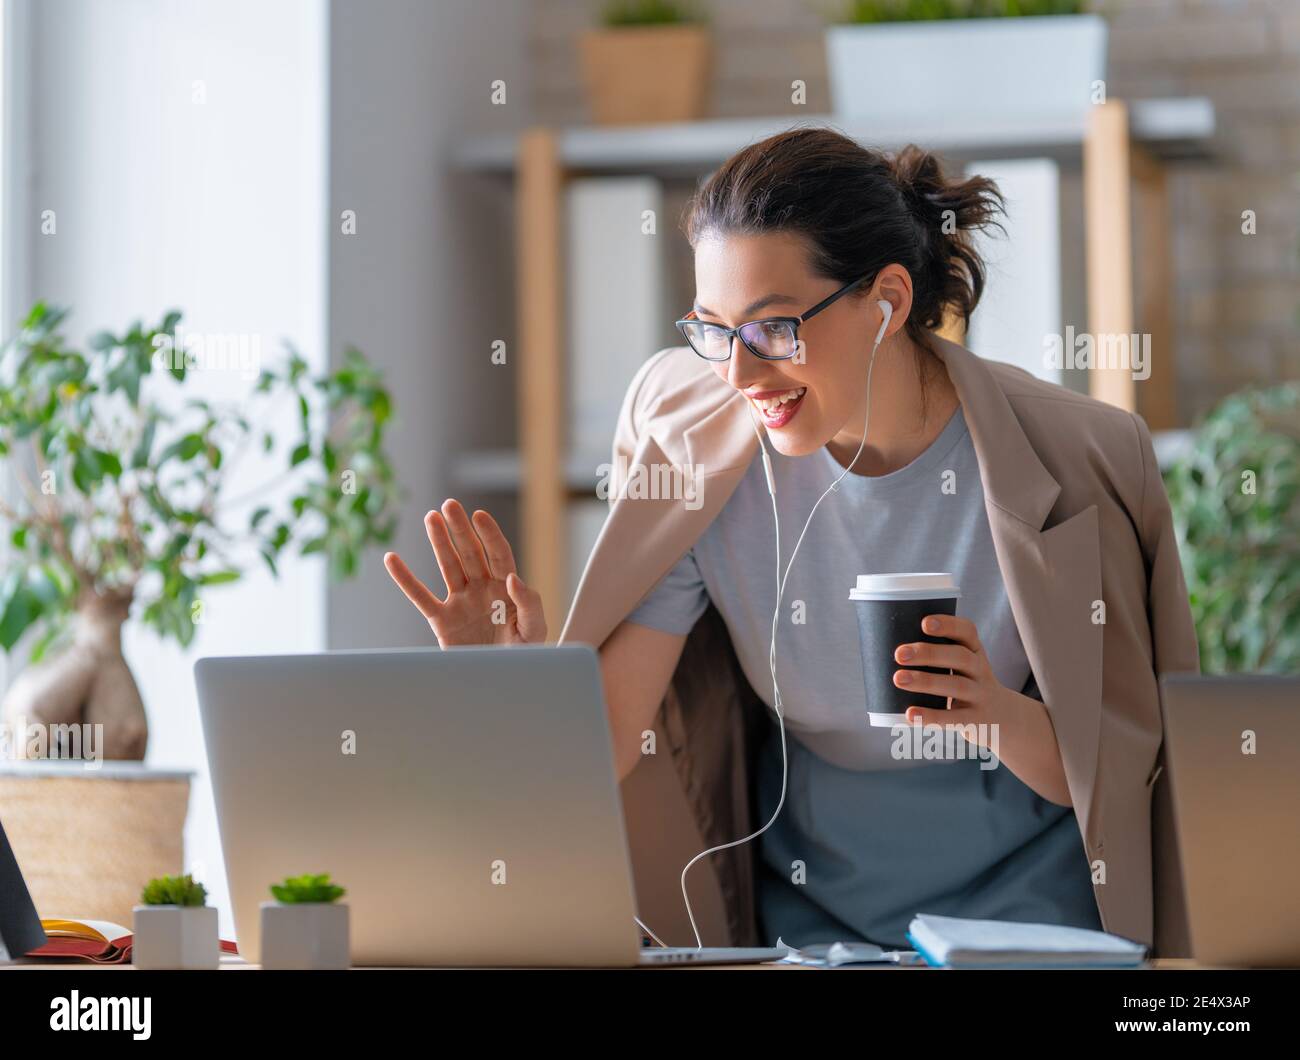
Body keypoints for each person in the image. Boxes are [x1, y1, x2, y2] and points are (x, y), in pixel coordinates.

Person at [384, 128, 1200, 953]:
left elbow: (1122, 773)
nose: (738, 375)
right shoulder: (700, 458)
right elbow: (614, 739)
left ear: (886, 302)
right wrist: (508, 683)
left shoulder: (1074, 456)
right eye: (712, 330)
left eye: (774, 328)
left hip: (1028, 913)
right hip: (808, 917)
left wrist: (992, 714)